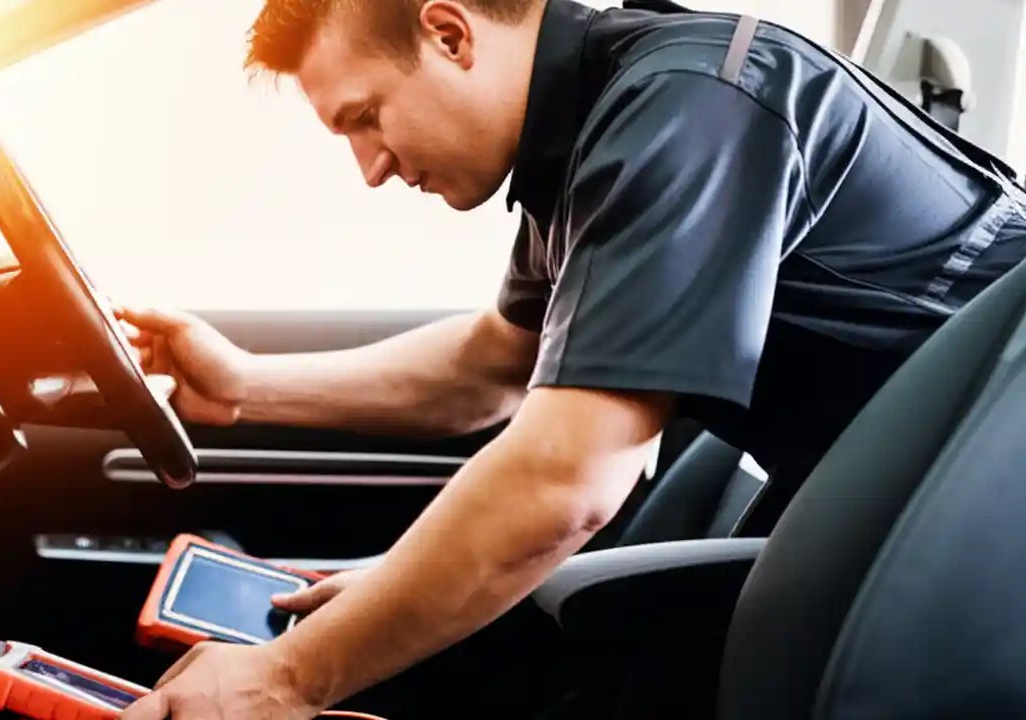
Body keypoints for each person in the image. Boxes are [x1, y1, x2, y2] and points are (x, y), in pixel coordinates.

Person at [117, 0, 1026, 717]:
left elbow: (570, 479)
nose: (371, 167)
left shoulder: (688, 110)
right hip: (897, 516)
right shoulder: (598, 129)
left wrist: (288, 679)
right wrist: (244, 384)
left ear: (448, 32)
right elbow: (488, 368)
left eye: (365, 117)